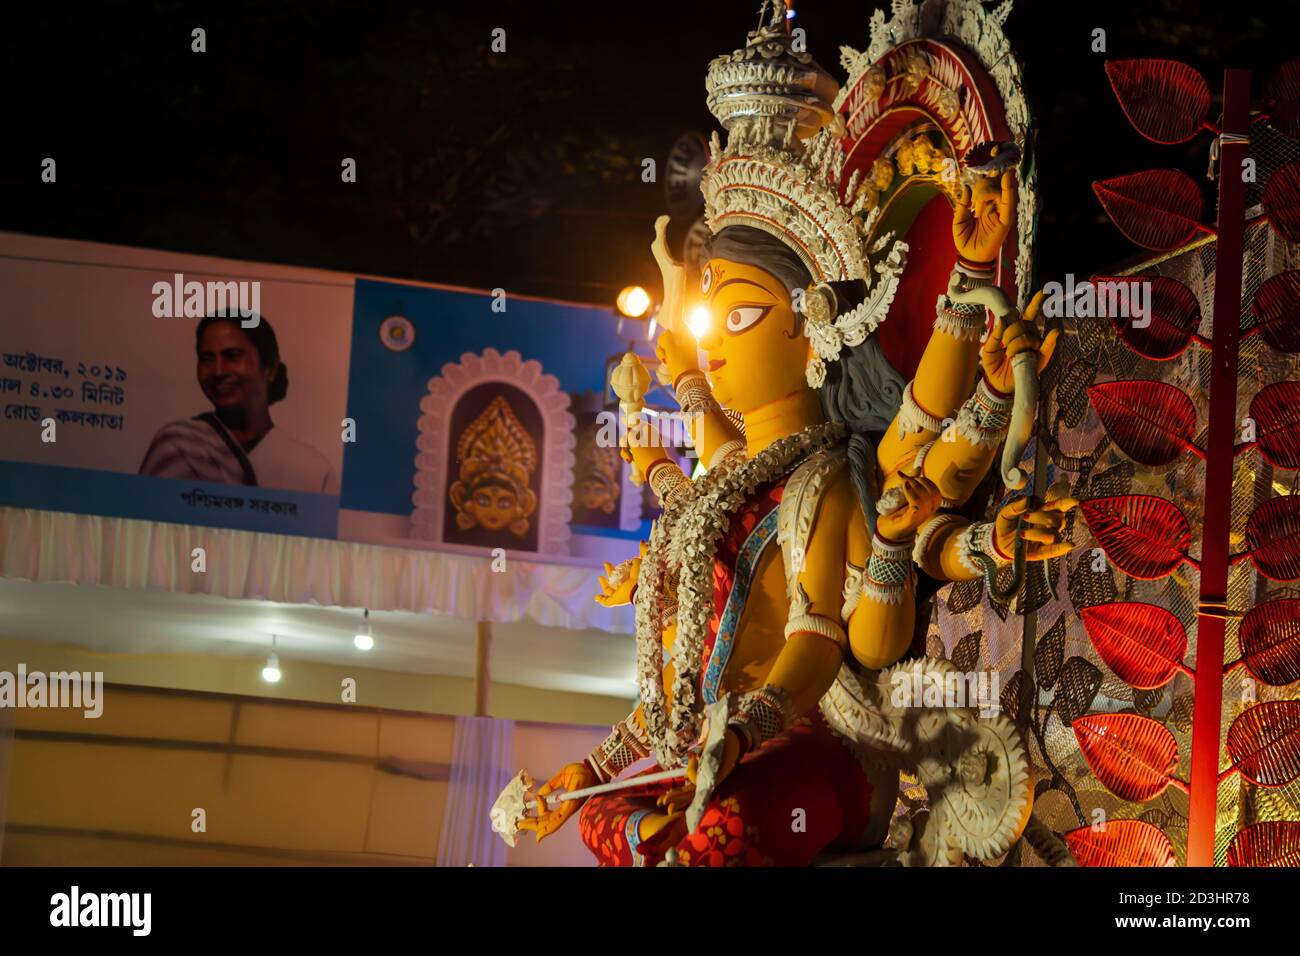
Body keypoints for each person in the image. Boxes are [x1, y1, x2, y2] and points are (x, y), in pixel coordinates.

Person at [139, 314, 338, 494]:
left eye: (232, 356)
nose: (218, 371)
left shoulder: (313, 470)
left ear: (269, 368)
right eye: (206, 359)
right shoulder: (176, 445)